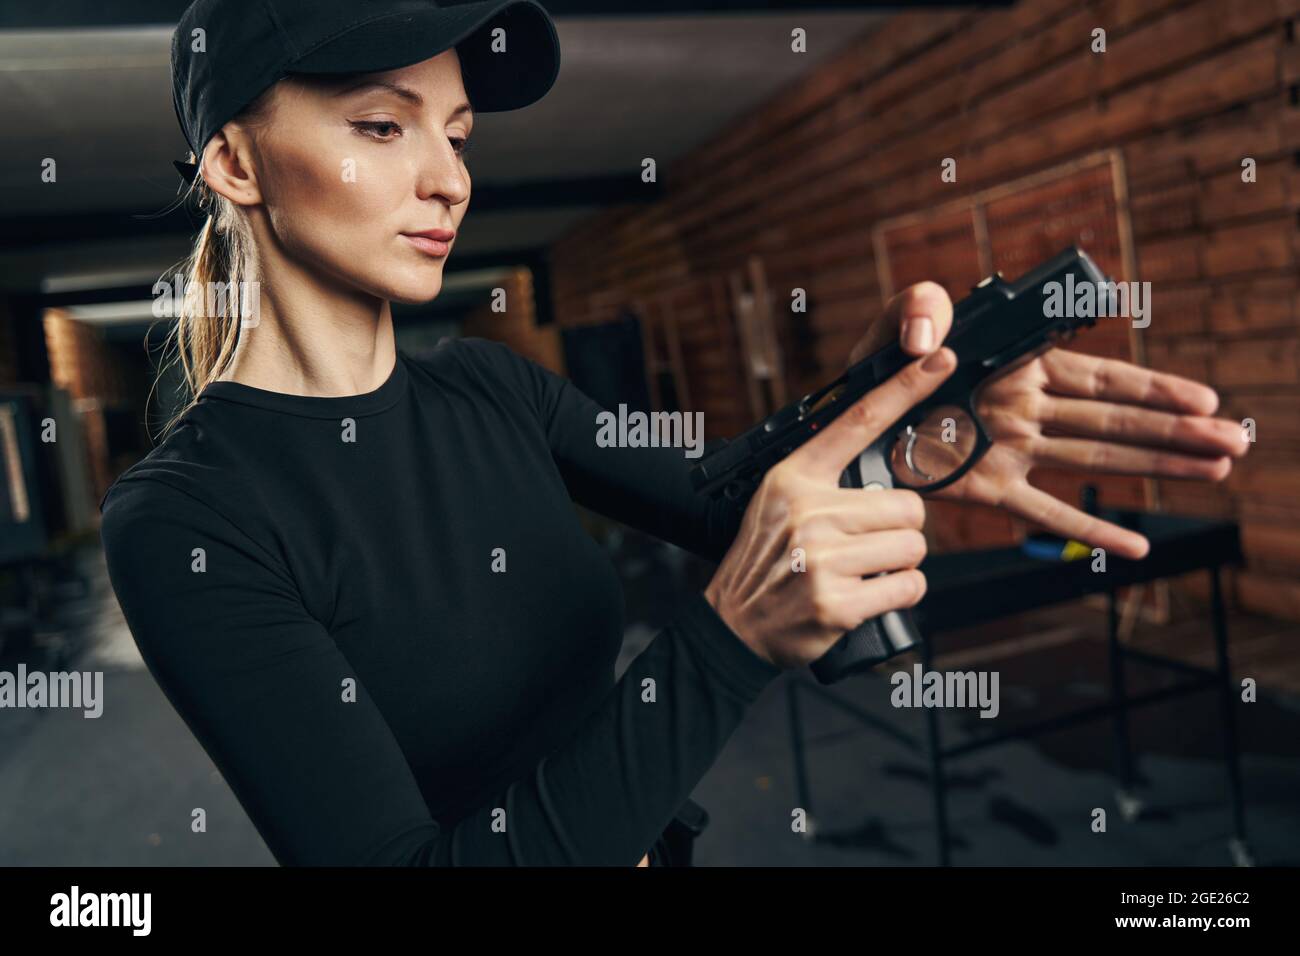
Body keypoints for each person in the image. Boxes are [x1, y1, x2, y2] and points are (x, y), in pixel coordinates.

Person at [100, 0, 1250, 866]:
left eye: (455, 132)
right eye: (380, 125)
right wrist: (725, 641)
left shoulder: (490, 390)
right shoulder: (187, 518)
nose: (449, 177)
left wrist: (919, 413)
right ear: (235, 162)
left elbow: (727, 496)